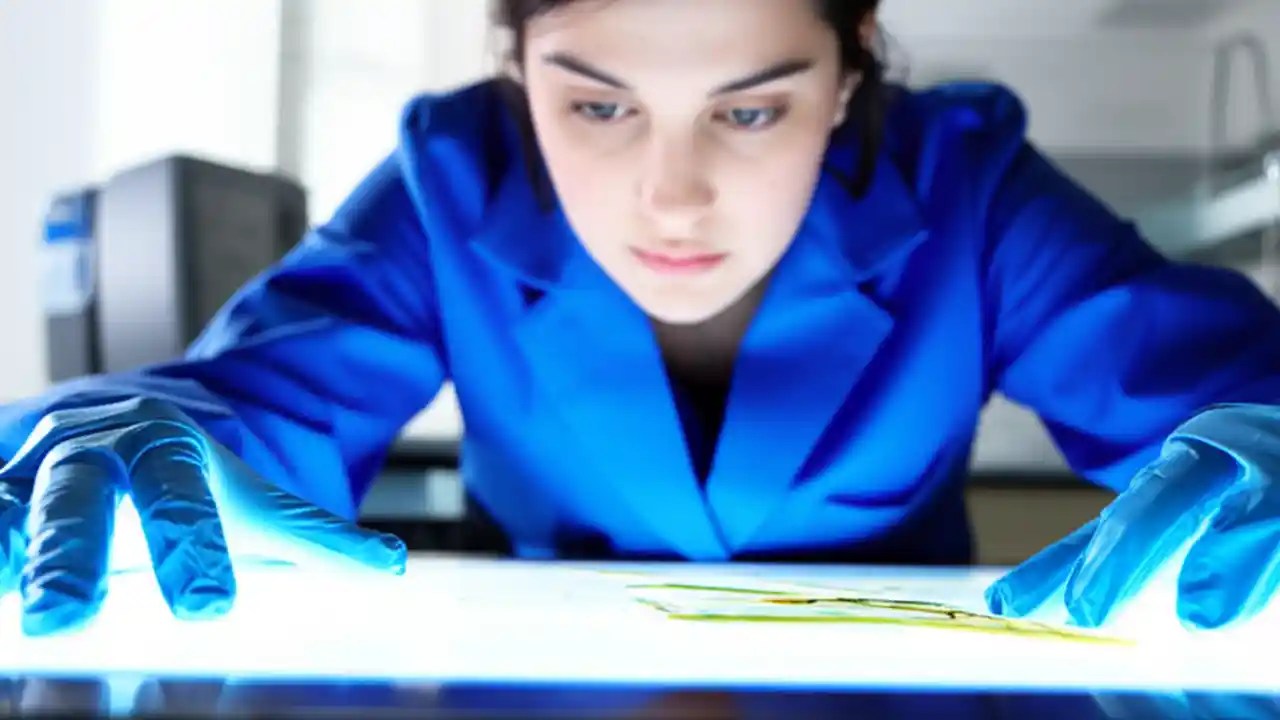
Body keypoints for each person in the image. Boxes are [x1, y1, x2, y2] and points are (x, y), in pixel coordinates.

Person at [3, 0, 1280, 638]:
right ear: (516, 76)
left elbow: (1224, 395)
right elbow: (244, 407)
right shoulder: (458, 178)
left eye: (750, 109)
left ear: (846, 80)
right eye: (598, 107)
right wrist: (97, 426)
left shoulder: (966, 181)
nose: (670, 198)